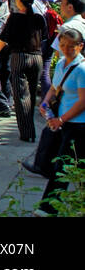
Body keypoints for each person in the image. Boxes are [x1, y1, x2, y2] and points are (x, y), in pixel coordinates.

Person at [39, 26, 85, 215]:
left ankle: (48, 208)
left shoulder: (82, 69)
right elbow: (54, 87)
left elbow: (83, 101)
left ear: (80, 47)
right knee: (74, 167)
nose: (66, 49)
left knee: (63, 166)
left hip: (78, 125)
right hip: (64, 123)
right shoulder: (61, 64)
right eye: (63, 45)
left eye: (71, 46)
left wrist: (61, 119)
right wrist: (45, 101)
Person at [0, 0, 46, 143]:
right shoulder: (39, 18)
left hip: (19, 57)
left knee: (21, 96)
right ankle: (32, 128)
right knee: (32, 94)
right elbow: (45, 36)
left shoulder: (15, 17)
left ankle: (27, 133)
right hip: (37, 57)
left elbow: (4, 37)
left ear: (20, 2)